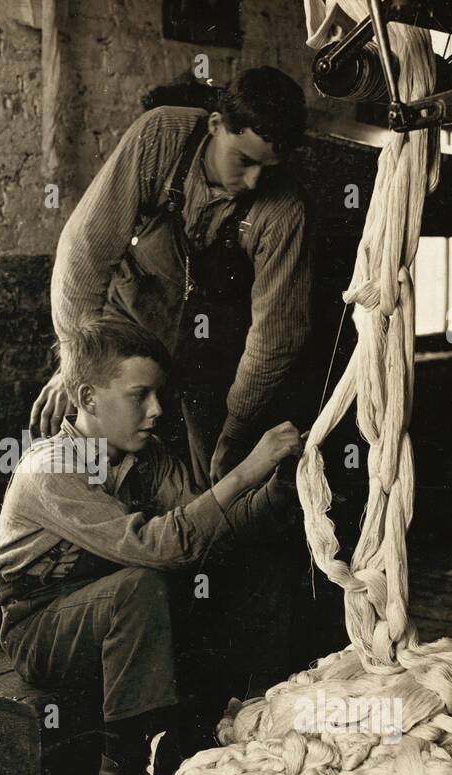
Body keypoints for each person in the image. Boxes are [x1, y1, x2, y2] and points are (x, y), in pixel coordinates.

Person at [0, 319, 302, 775]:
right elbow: (163, 547)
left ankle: (188, 744)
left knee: (244, 574)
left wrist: (279, 487)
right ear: (87, 397)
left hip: (120, 616)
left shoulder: (145, 457)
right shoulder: (49, 469)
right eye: (140, 395)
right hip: (42, 629)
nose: (156, 410)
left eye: (158, 394)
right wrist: (247, 471)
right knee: (145, 584)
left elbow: (212, 532)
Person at [32, 66, 312, 489]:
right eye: (245, 161)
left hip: (213, 350)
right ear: (217, 125)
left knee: (214, 478)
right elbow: (85, 252)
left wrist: (235, 428)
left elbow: (275, 338)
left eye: (268, 170)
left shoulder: (285, 211)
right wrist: (75, 366)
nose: (254, 181)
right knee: (91, 453)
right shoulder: (160, 137)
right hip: (130, 324)